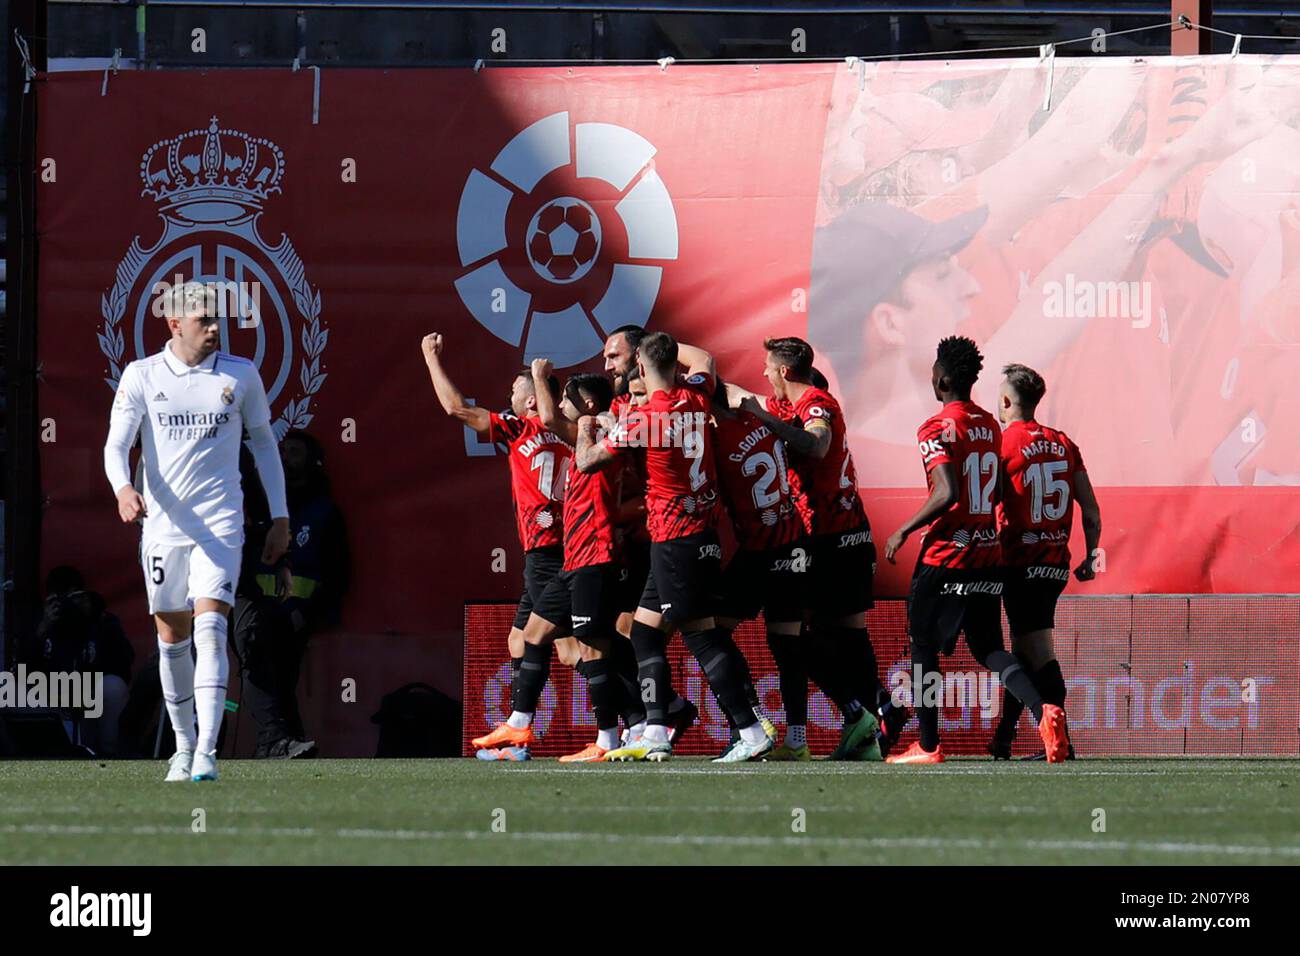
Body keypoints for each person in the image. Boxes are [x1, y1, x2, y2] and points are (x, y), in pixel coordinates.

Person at [103, 281, 290, 782]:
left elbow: (265, 446)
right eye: (205, 320)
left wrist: (280, 516)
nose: (215, 329)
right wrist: (123, 488)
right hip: (164, 530)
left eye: (219, 321)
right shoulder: (142, 376)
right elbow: (115, 445)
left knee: (211, 628)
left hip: (220, 525)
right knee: (172, 638)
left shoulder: (240, 374)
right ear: (175, 324)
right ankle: (182, 748)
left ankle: (206, 752)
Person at [577, 333, 769, 762]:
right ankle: (657, 729)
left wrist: (587, 429)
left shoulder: (644, 419)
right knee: (644, 632)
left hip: (675, 539)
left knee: (702, 637)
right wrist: (659, 345)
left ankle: (751, 729)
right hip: (698, 534)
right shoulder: (697, 395)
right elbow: (703, 356)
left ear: (641, 370)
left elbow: (588, 462)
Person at [883, 336, 1068, 765]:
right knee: (989, 650)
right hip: (988, 556)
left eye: (933, 369)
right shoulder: (990, 425)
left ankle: (928, 746)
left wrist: (904, 530)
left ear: (943, 379)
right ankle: (1045, 711)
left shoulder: (934, 428)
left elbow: (945, 492)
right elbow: (1000, 490)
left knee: (923, 648)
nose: (930, 375)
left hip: (947, 555)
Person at [729, 337, 900, 760]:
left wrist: (757, 414)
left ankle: (863, 712)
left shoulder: (816, 404)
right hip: (847, 534)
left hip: (830, 538)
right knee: (844, 635)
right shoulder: (792, 405)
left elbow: (818, 443)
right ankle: (880, 713)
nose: (765, 375)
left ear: (784, 371)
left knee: (803, 637)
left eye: (768, 367)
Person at [421, 332, 572, 760]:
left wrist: (430, 357)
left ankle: (641, 717)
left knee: (567, 647)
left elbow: (455, 408)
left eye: (513, 391)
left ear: (529, 402)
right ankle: (517, 733)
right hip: (557, 550)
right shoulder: (573, 430)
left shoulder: (522, 426)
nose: (507, 395)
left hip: (550, 551)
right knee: (520, 642)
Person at [988, 365, 1101, 759]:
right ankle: (1004, 737)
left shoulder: (1003, 444)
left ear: (1006, 401)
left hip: (1021, 561)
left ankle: (1061, 742)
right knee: (1024, 651)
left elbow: (990, 501)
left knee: (1038, 653)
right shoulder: (1063, 442)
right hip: (1053, 564)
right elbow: (1090, 510)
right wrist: (1090, 554)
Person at [232, 429, 350, 758]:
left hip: (297, 614)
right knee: (256, 665)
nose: (285, 460)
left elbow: (337, 571)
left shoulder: (324, 512)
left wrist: (309, 612)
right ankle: (276, 741)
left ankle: (283, 742)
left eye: (294, 453)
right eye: (281, 453)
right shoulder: (262, 509)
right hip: (252, 605)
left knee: (282, 680)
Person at [710, 379, 805, 759]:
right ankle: (797, 738)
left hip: (760, 549)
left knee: (712, 630)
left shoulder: (717, 440)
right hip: (793, 543)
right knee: (787, 644)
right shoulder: (764, 423)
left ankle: (755, 718)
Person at [27, 566, 134, 756]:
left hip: (90, 699)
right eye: (62, 600)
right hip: (50, 699)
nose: (69, 605)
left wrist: (93, 620)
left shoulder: (100, 620)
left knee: (113, 686)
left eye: (74, 598)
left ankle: (111, 754)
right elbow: (23, 670)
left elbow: (123, 664)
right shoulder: (41, 621)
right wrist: (42, 629)